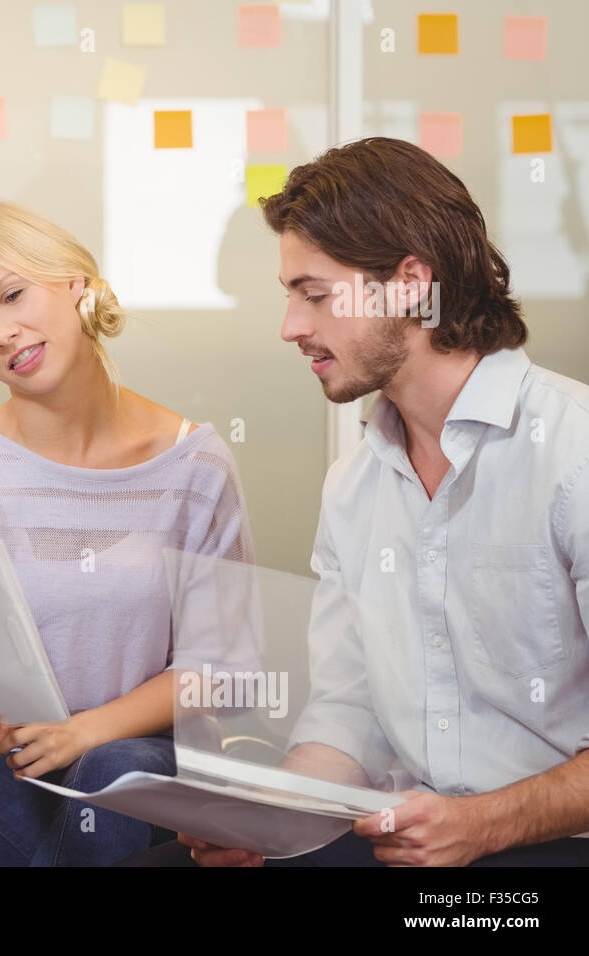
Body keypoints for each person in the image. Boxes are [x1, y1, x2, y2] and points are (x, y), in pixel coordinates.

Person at [168, 137, 589, 867]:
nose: (291, 326)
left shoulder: (572, 456)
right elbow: (348, 716)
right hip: (405, 843)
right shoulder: (354, 487)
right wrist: (271, 825)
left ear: (409, 284)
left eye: (316, 294)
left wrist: (485, 824)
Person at [0, 201, 254, 865]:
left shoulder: (196, 464)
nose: (2, 334)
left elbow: (225, 670)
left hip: (144, 756)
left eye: (13, 296)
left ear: (76, 284)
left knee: (110, 768)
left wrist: (83, 733)